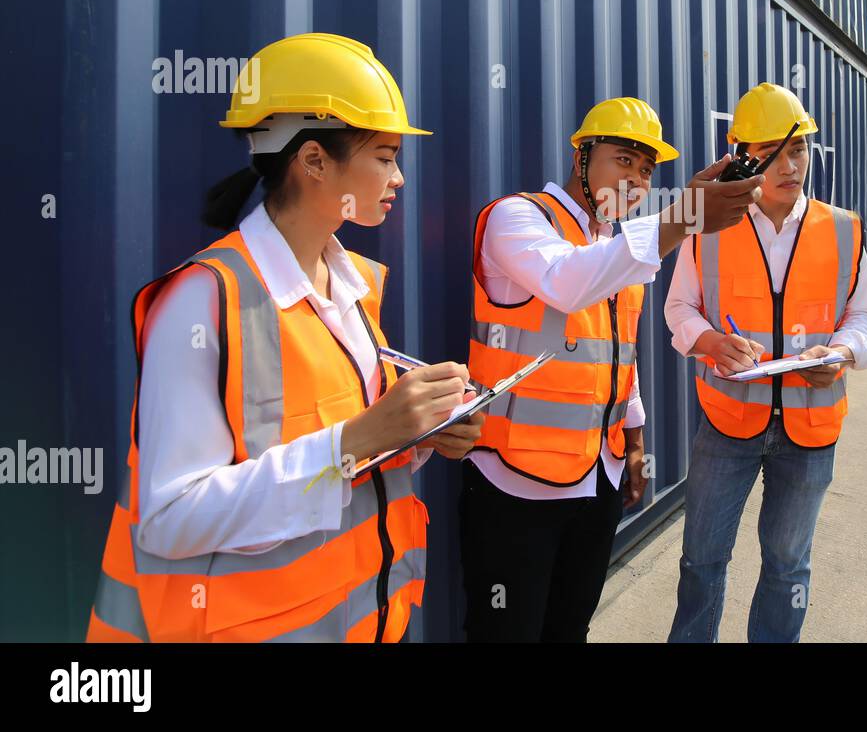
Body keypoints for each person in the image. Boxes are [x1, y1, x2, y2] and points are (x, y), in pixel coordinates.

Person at [86, 32, 482, 643]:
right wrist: (363, 436)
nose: (399, 176)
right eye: (384, 156)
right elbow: (168, 519)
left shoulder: (349, 284)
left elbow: (343, 451)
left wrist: (419, 433)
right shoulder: (204, 300)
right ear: (315, 161)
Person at [460, 96, 764, 642]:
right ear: (581, 156)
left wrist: (636, 441)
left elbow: (621, 352)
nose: (636, 179)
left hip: (598, 475)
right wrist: (685, 216)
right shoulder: (517, 218)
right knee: (505, 633)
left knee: (569, 628)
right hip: (514, 483)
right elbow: (566, 283)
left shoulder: (616, 245)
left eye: (647, 170)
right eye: (622, 159)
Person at [664, 82, 867, 643]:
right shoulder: (708, 224)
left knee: (788, 567)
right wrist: (709, 341)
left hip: (811, 430)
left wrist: (838, 352)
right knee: (701, 561)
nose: (791, 165)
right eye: (772, 152)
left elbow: (864, 316)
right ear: (740, 153)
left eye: (799, 149)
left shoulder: (843, 227)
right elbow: (679, 308)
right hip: (728, 423)